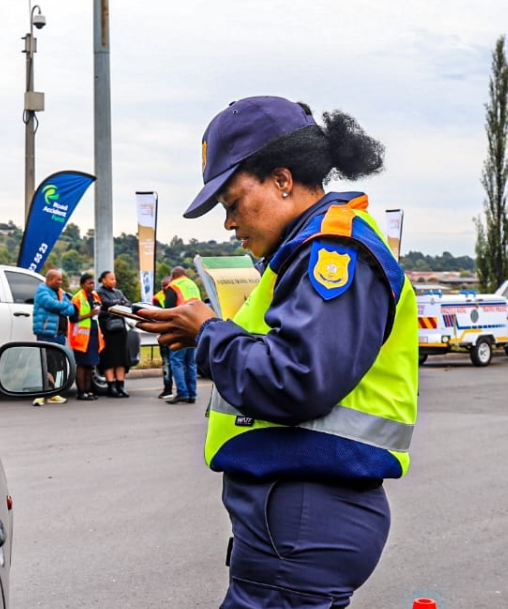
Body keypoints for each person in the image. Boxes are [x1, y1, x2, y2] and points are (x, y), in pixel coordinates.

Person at [136, 95, 418, 609]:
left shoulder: (331, 252)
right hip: (299, 521)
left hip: (306, 518)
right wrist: (204, 335)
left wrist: (209, 332)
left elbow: (297, 379)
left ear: (282, 180)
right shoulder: (298, 254)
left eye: (232, 202)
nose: (228, 223)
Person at [31, 268, 76, 406]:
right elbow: (52, 305)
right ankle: (41, 394)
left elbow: (71, 309)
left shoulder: (60, 292)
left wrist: (62, 304)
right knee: (45, 363)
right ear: (50, 279)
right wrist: (63, 303)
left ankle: (54, 393)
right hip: (46, 333)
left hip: (60, 334)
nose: (61, 282)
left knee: (57, 363)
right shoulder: (42, 291)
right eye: (58, 279)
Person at [160, 266, 201, 404]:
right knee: (191, 362)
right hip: (195, 328)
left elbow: (168, 310)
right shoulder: (192, 284)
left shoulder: (173, 286)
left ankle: (182, 393)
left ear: (173, 276)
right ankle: (192, 394)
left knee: (176, 361)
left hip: (180, 328)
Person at [94, 270, 132, 397]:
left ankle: (120, 386)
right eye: (111, 279)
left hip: (120, 329)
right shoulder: (99, 292)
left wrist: (117, 304)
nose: (114, 281)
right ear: (103, 280)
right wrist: (118, 304)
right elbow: (105, 304)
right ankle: (111, 386)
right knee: (109, 358)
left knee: (121, 359)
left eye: (114, 279)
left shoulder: (118, 292)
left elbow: (128, 303)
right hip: (107, 329)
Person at [68, 272, 102, 401]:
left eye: (93, 283)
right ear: (82, 285)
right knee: (82, 364)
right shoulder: (77, 298)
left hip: (93, 335)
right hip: (81, 337)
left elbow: (98, 310)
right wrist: (90, 314)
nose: (92, 285)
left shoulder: (94, 296)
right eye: (89, 283)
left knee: (90, 364)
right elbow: (73, 318)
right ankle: (81, 392)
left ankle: (88, 391)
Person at [153, 276, 175, 399]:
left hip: (172, 333)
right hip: (165, 333)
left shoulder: (175, 294)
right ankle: (168, 388)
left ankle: (185, 391)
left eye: (167, 285)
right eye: (163, 286)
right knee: (167, 362)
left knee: (176, 363)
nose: (165, 288)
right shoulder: (158, 298)